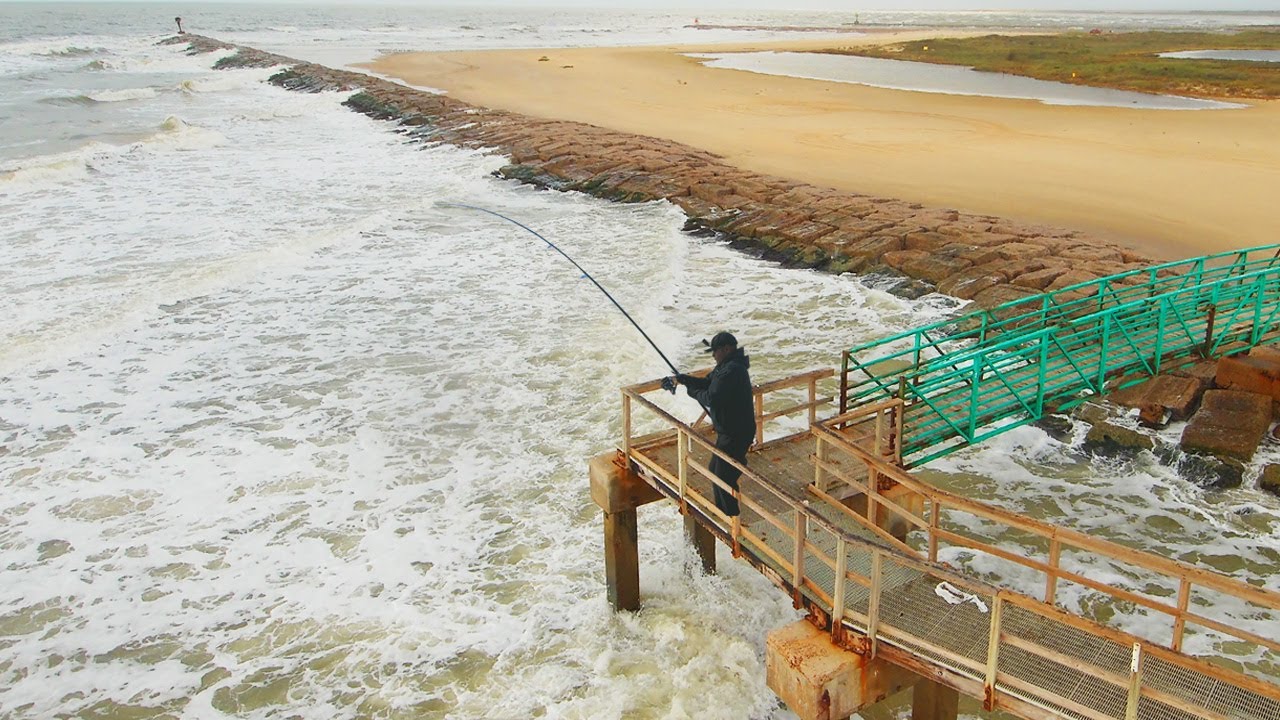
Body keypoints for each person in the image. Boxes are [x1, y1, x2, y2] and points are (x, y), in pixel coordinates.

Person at [674, 331, 755, 517]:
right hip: (728, 432)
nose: (713, 355)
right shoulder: (725, 366)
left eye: (716, 351)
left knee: (724, 476)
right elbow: (707, 383)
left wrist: (692, 392)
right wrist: (684, 379)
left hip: (737, 433)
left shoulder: (733, 370)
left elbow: (712, 397)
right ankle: (724, 513)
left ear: (726, 349)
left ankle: (732, 518)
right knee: (715, 471)